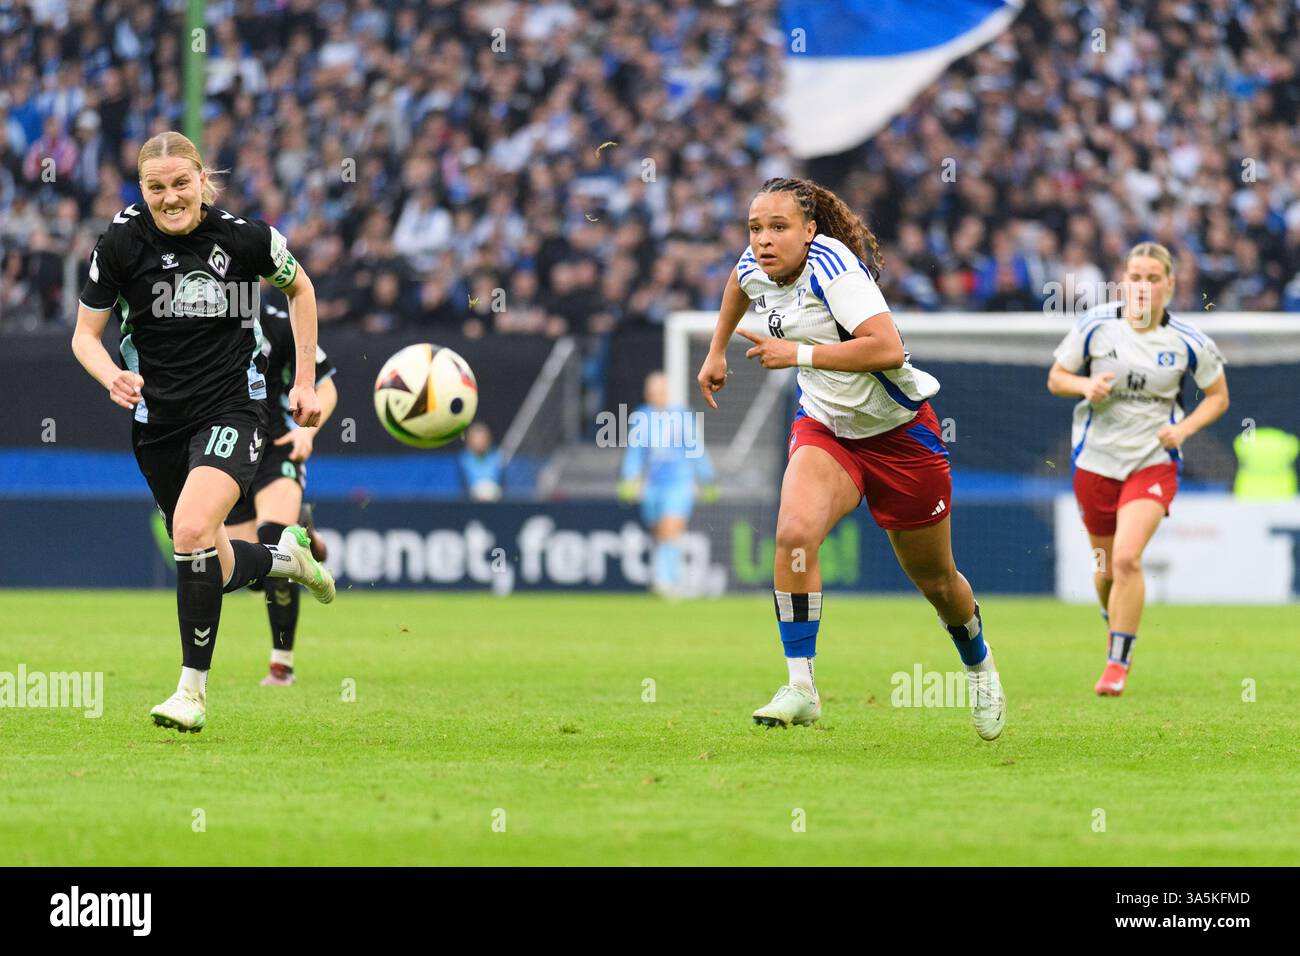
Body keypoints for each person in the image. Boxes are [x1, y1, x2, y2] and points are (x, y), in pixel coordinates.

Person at [697, 177, 1006, 740]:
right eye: (755, 228)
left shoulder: (833, 267)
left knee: (937, 582)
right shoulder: (754, 263)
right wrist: (717, 350)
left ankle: (979, 665)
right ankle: (801, 686)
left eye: (778, 227)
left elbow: (886, 348)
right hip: (826, 429)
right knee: (794, 533)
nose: (763, 240)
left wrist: (798, 354)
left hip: (900, 437)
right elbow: (736, 286)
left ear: (811, 230)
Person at [71, 131, 335, 733]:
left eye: (180, 184)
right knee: (208, 564)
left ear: (202, 181)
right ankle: (283, 560)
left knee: (190, 529)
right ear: (141, 189)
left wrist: (307, 383)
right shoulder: (120, 242)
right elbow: (84, 337)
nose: (169, 198)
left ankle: (191, 693)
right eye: (155, 187)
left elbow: (301, 289)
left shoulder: (244, 238)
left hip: (234, 409)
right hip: (157, 424)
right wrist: (112, 374)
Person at [1048, 242, 1229, 696]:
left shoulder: (1189, 341)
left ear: (1170, 285)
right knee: (1106, 568)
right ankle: (1117, 621)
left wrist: (1183, 430)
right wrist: (1086, 384)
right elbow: (1056, 378)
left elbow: (1218, 397)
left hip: (1153, 461)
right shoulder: (1095, 326)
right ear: (1123, 281)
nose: (1143, 286)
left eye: (1153, 278)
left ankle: (1117, 663)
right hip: (1095, 461)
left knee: (1128, 557)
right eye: (1135, 277)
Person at [224, 291, 337, 687]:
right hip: (227, 454)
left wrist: (309, 435)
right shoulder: (196, 322)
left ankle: (281, 665)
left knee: (274, 546)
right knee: (240, 572)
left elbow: (326, 387)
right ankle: (306, 534)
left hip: (275, 450)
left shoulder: (280, 324)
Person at [618, 371, 717, 596]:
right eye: (652, 391)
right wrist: (629, 478)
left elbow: (696, 449)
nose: (656, 395)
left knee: (670, 530)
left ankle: (666, 582)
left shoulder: (683, 416)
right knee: (659, 534)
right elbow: (635, 453)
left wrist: (706, 477)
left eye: (660, 390)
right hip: (652, 486)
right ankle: (668, 576)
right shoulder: (641, 417)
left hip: (679, 484)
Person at [459, 422, 503, 502]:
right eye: (476, 438)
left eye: (482, 437)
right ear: (469, 440)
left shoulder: (498, 458)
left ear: (488, 439)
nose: (479, 441)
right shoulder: (463, 460)